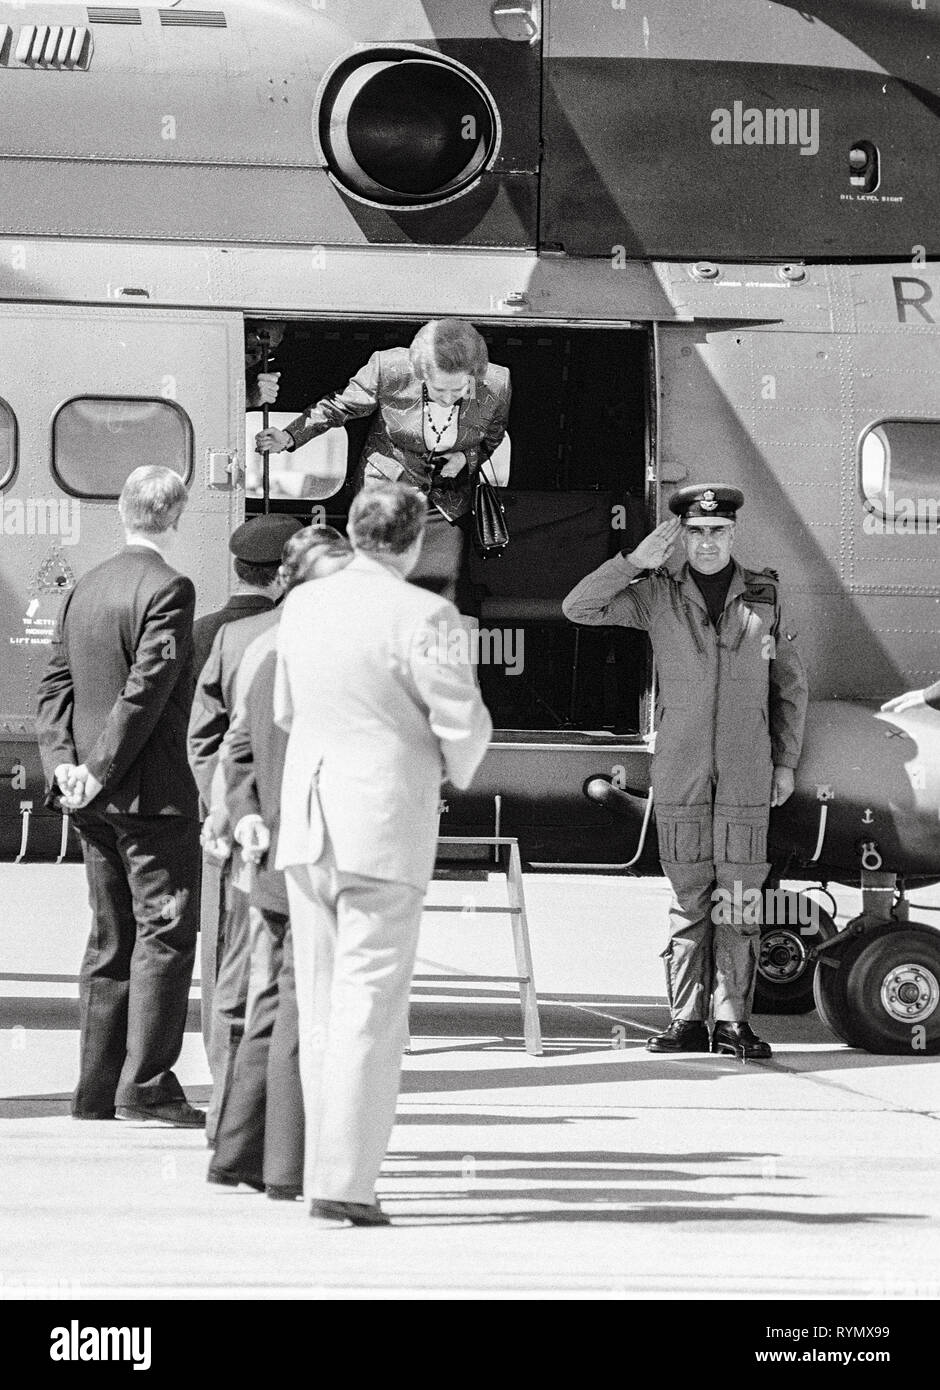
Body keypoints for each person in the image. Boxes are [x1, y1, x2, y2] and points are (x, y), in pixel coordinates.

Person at [274, 483, 492, 1226]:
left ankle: (319, 1170)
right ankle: (345, 1182)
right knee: (370, 1007)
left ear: (359, 536)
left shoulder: (302, 606)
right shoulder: (425, 614)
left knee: (323, 1003)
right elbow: (461, 720)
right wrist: (445, 765)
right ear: (413, 542)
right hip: (381, 826)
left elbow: (283, 710)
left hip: (308, 820)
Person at [563, 484, 808, 1061]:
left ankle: (732, 1023)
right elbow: (579, 607)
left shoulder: (764, 598)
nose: (705, 543)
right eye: (694, 533)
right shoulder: (655, 595)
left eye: (716, 531)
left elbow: (790, 686)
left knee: (741, 900)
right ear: (681, 538)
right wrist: (632, 562)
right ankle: (686, 1021)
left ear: (733, 534)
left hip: (748, 768)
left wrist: (787, 761)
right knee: (688, 897)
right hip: (681, 769)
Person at [35, 465, 204, 1125]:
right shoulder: (170, 587)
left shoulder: (85, 587)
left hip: (91, 802)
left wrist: (65, 768)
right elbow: (147, 689)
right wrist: (100, 769)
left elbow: (54, 686)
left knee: (111, 937)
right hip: (151, 797)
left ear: (123, 512)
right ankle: (149, 1086)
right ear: (176, 514)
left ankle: (95, 1090)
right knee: (163, 931)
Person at [206, 527, 353, 1200]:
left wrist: (245, 813)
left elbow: (234, 750)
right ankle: (285, 1166)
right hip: (315, 856)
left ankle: (235, 1151)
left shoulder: (270, 655)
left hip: (272, 854)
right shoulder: (329, 662)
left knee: (269, 1003)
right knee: (301, 1007)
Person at [254, 317, 511, 608]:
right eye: (440, 390)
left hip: (445, 506)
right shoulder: (390, 369)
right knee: (375, 594)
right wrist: (289, 436)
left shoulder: (495, 383)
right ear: (420, 373)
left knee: (437, 598)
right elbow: (339, 407)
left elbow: (492, 437)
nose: (449, 399)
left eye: (459, 390)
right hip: (385, 498)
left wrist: (465, 458)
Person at [188, 513, 303, 1141]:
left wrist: (223, 809)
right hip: (289, 831)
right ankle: (272, 1125)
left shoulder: (212, 634)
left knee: (228, 973)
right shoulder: (304, 633)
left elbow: (204, 736)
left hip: (230, 829)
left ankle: (227, 1114)